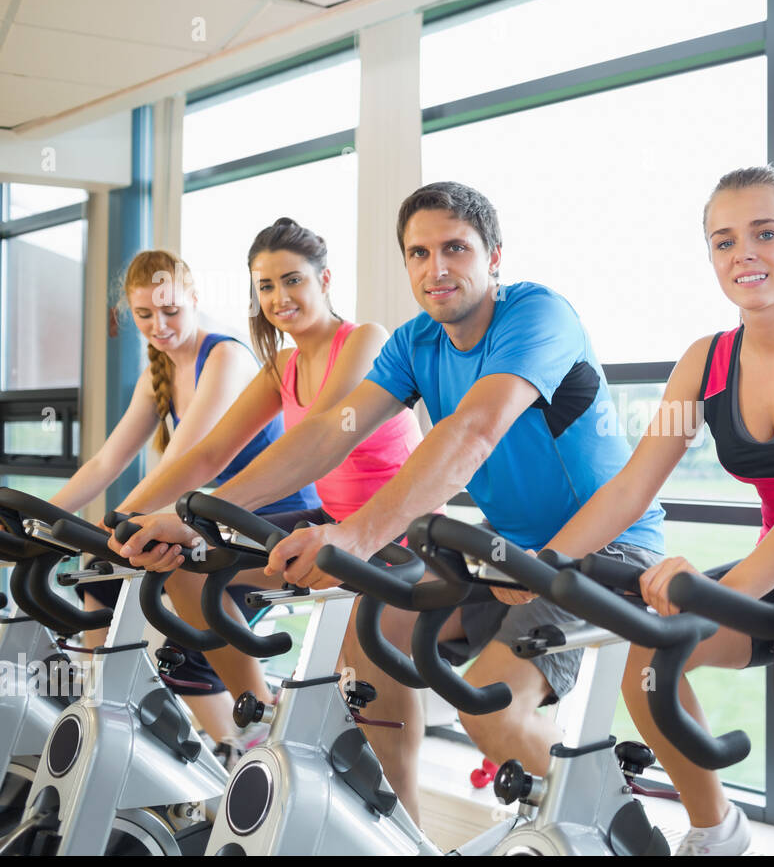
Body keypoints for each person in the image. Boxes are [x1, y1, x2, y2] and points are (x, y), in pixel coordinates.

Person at [114, 183, 665, 822]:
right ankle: (396, 826)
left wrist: (354, 536)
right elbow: (326, 433)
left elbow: (473, 431)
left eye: (455, 248)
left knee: (487, 705)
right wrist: (193, 514)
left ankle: (621, 826)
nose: (437, 269)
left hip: (600, 547)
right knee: (374, 631)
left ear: (493, 257)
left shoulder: (539, 315)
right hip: (507, 550)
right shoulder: (414, 343)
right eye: (419, 253)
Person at [507, 166, 774, 855]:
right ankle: (716, 829)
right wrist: (547, 562)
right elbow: (633, 486)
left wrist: (719, 598)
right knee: (649, 658)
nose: (745, 255)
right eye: (724, 241)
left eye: (766, 233)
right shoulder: (705, 361)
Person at [107, 219, 422, 763]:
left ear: (325, 279)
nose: (280, 297)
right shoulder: (283, 363)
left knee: (368, 680)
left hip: (391, 529)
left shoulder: (364, 339)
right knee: (186, 564)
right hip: (328, 522)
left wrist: (201, 508)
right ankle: (259, 716)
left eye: (292, 280)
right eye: (266, 286)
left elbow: (317, 436)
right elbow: (207, 454)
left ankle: (400, 820)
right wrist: (123, 518)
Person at [49, 247, 319, 743]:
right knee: (102, 577)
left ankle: (248, 740)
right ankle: (101, 712)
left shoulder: (226, 357)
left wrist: (121, 522)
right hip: (211, 516)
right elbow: (106, 462)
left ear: (195, 299)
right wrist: (47, 517)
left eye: (171, 311)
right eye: (145, 315)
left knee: (185, 624)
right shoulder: (161, 375)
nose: (159, 325)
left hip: (273, 512)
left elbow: (189, 459)